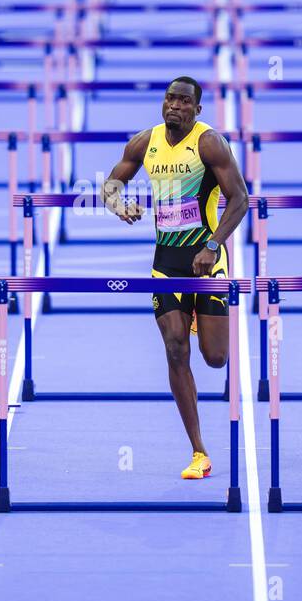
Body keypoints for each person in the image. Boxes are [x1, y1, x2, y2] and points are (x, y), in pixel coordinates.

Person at [102, 77, 249, 480]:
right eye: (170, 98)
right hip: (166, 261)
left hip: (206, 259)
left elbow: (240, 199)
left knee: (215, 359)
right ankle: (199, 452)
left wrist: (214, 246)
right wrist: (118, 204)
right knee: (174, 349)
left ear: (197, 110)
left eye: (184, 101)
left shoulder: (209, 143)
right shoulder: (143, 143)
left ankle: (203, 315)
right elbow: (111, 185)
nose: (175, 106)